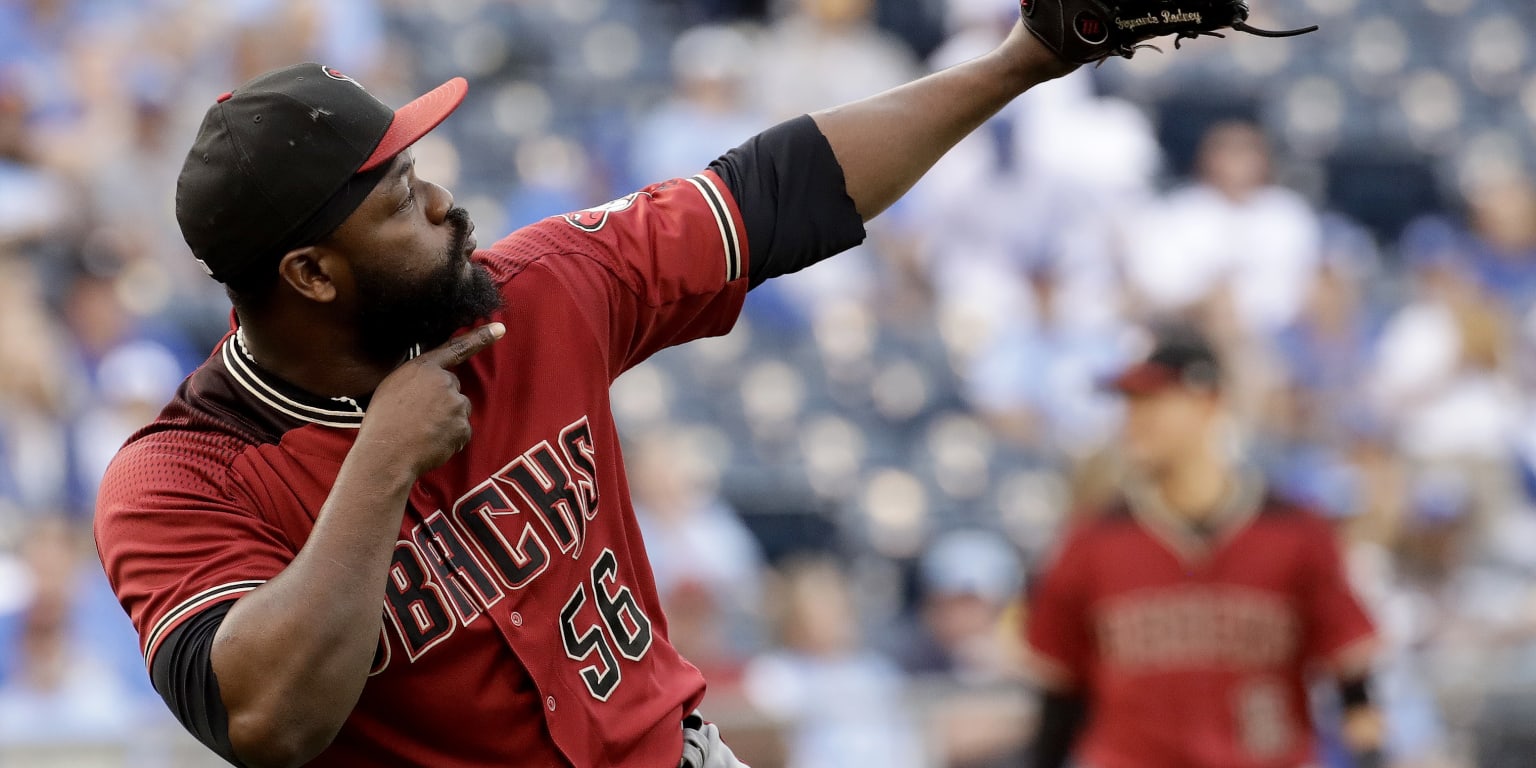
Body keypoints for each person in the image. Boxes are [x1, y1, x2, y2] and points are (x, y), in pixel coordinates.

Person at [93, 18, 1075, 768]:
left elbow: (773, 193)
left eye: (418, 174)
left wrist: (1023, 58)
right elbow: (269, 722)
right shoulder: (181, 478)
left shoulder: (528, 291)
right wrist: (382, 462)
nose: (442, 204)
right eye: (399, 202)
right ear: (311, 275)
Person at [1023, 324, 1385, 768]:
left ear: (1209, 401)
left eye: (1152, 400)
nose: (1134, 420)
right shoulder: (1093, 540)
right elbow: (1059, 694)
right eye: (1129, 403)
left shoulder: (1294, 531)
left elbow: (1353, 679)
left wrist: (1372, 752)